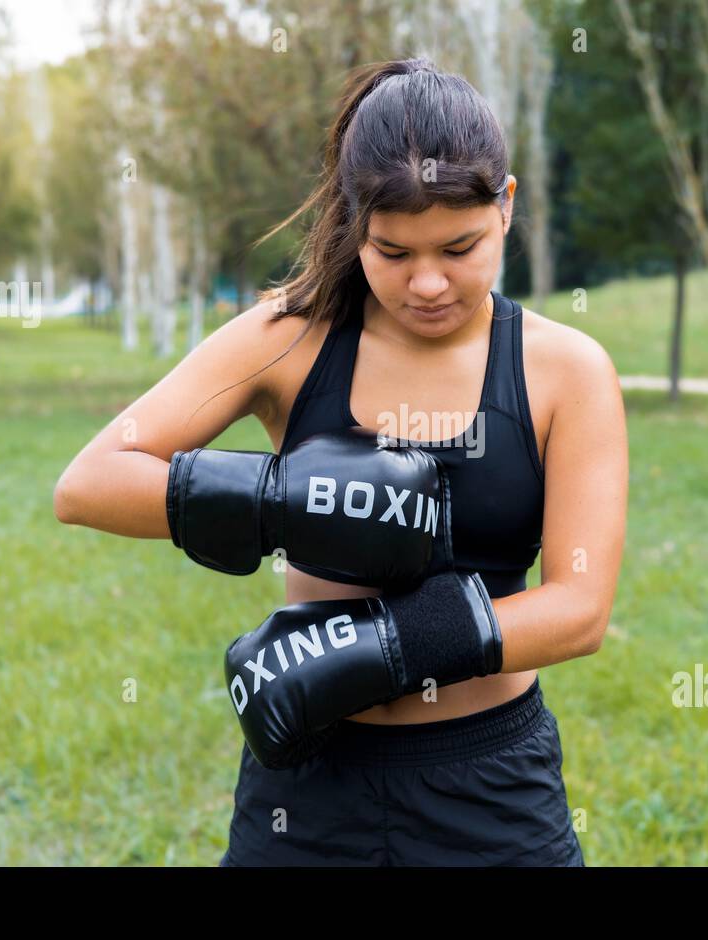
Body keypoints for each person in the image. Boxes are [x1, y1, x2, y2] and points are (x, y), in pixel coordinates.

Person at [53, 57, 628, 866]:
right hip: (309, 790)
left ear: (506, 206)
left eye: (458, 247)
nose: (427, 283)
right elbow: (88, 484)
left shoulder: (565, 370)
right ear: (354, 223)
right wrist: (286, 499)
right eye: (392, 253)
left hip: (490, 789)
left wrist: (385, 648)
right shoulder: (289, 338)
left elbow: (580, 609)